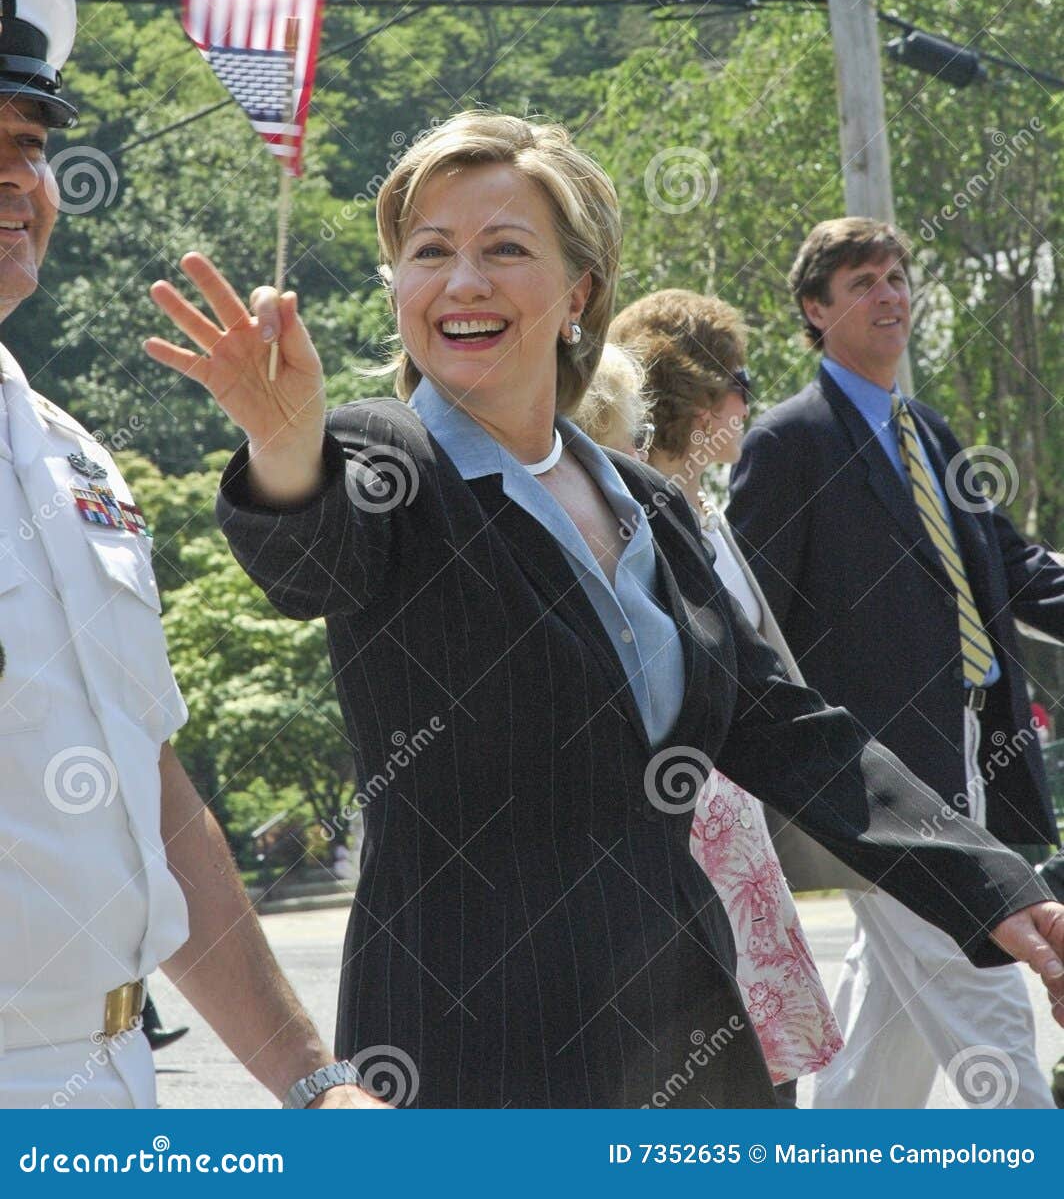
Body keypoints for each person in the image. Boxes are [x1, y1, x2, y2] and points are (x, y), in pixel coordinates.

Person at [146, 112, 1064, 1110]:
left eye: (504, 249)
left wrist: (986, 878)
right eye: (428, 252)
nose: (462, 281)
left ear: (578, 291)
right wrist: (284, 448)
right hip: (466, 1050)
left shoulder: (650, 503)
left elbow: (781, 725)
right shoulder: (389, 457)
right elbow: (309, 562)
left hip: (686, 1034)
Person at [0, 0, 382, 1110]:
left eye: (30, 145)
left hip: (114, 1076)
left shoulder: (67, 455)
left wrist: (312, 1086)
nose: (18, 179)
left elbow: (146, 794)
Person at [727, 215, 1064, 1109]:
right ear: (815, 310)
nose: (890, 296)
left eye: (897, 278)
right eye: (864, 283)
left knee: (885, 1032)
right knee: (980, 976)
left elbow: (1012, 565)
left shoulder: (931, 433)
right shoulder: (787, 443)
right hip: (875, 780)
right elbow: (746, 618)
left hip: (974, 749)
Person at [576, 321, 841, 1105]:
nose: (745, 399)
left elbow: (759, 679)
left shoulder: (700, 513)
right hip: (679, 830)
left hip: (736, 819)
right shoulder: (624, 518)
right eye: (737, 381)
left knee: (768, 1071)